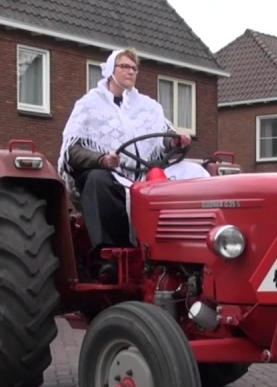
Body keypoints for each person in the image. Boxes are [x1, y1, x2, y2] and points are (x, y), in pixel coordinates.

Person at [59, 48, 191, 281]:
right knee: (98, 180)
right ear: (111, 70)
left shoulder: (148, 106)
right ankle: (108, 254)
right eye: (125, 67)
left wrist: (175, 140)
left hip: (142, 172)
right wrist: (101, 160)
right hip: (108, 174)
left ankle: (181, 246)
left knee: (192, 172)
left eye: (134, 68)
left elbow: (162, 137)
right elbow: (72, 150)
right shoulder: (89, 105)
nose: (131, 71)